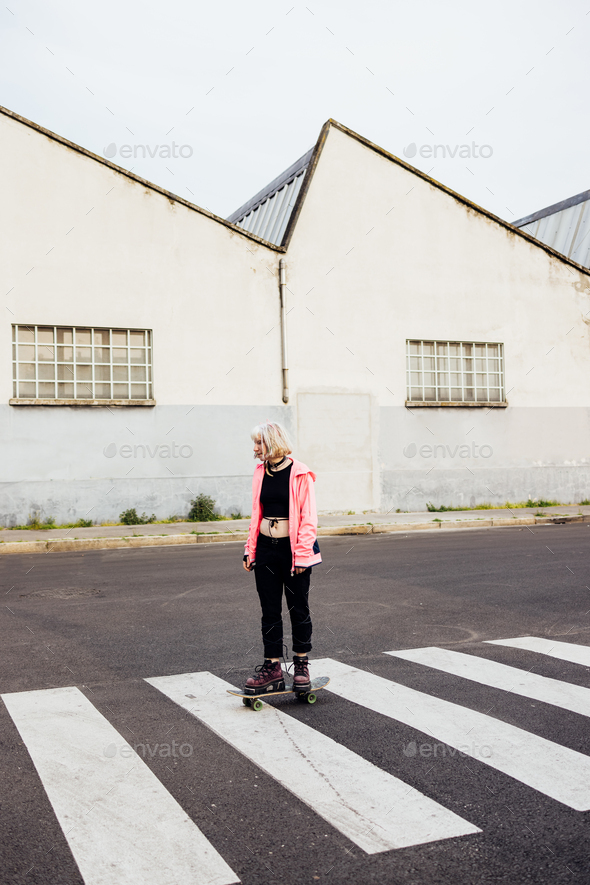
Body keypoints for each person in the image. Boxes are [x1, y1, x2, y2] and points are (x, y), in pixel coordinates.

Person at [243, 421, 321, 695]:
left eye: (258, 443)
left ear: (273, 443)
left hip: (294, 550)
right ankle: (272, 668)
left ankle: (301, 665)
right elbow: (256, 513)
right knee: (269, 610)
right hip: (266, 547)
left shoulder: (300, 473)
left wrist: (301, 556)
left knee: (298, 608)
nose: (254, 449)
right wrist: (250, 549)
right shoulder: (259, 472)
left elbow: (309, 519)